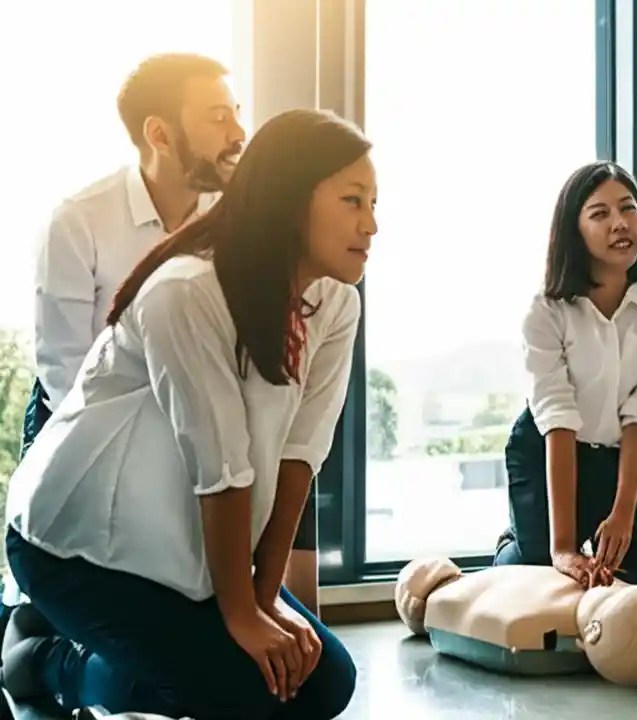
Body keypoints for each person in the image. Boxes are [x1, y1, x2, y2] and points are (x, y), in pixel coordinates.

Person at [1, 107, 373, 720]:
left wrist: (263, 597)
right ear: (290, 198)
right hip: (77, 546)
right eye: (353, 200)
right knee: (241, 694)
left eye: (374, 203)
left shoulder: (336, 303)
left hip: (190, 547)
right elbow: (219, 466)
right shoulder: (187, 290)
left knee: (323, 684)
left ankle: (135, 652)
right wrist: (238, 615)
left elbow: (299, 455)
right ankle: (49, 664)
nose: (372, 224)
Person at [18, 52, 322, 616]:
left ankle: (283, 613)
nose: (238, 133)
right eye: (217, 118)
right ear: (159, 133)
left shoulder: (240, 217)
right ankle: (44, 644)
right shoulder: (78, 220)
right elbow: (65, 375)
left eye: (236, 113)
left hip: (203, 409)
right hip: (90, 417)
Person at [493, 161, 637, 610]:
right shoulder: (545, 312)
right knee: (540, 593)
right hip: (548, 450)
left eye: (628, 208)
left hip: (622, 457)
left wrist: (623, 514)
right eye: (600, 214)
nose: (620, 223)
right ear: (574, 229)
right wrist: (562, 548)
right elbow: (558, 419)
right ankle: (514, 545)